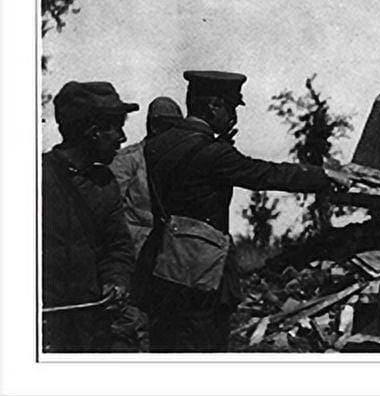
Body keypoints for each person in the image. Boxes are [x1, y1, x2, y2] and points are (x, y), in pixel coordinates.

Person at [139, 70, 351, 352]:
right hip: (201, 270)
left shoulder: (158, 145)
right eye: (231, 107)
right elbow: (266, 174)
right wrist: (323, 175)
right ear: (214, 105)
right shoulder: (214, 153)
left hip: (163, 266)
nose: (234, 117)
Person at [41, 81, 139, 352]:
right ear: (94, 132)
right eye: (117, 128)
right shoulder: (37, 178)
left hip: (92, 327)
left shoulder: (105, 183)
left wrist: (116, 280)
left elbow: (118, 246)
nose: (122, 138)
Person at [109, 96, 183, 259]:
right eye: (171, 128)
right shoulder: (127, 160)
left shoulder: (179, 163)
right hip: (133, 253)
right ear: (154, 127)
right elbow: (109, 213)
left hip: (168, 255)